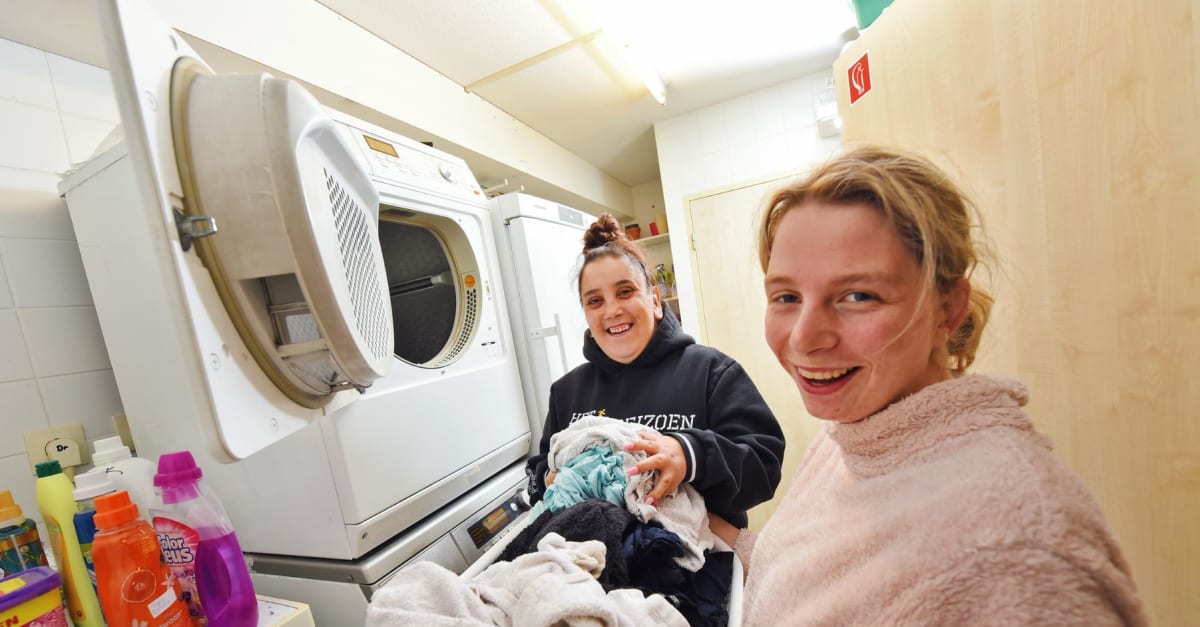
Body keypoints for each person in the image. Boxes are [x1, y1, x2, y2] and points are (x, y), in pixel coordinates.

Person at [726, 146, 1147, 625]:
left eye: (859, 296)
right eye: (786, 296)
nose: (803, 337)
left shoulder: (1018, 548)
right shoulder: (853, 433)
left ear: (946, 310)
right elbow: (807, 575)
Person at [525, 213, 786, 533]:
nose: (612, 310)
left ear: (655, 300)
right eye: (595, 301)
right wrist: (551, 479)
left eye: (625, 292)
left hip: (694, 564)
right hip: (593, 563)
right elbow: (537, 476)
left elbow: (764, 466)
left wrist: (690, 456)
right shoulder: (567, 392)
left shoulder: (711, 373)